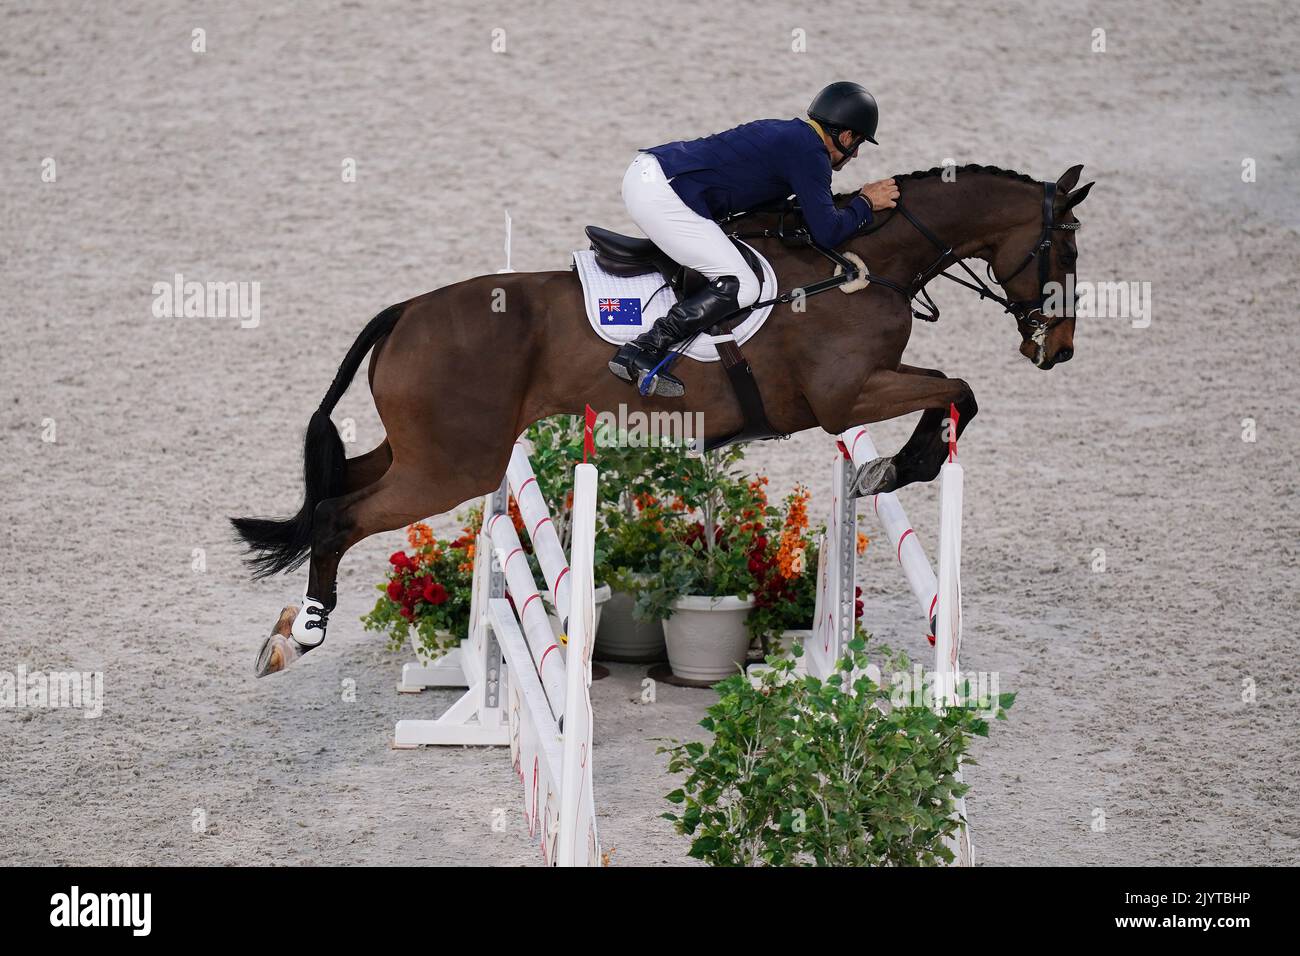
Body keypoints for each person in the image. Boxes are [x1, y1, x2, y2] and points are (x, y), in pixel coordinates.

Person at [607, 81, 900, 397]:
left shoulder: (791, 134)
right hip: (662, 194)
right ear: (846, 136)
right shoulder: (810, 153)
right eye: (857, 145)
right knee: (741, 283)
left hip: (651, 172)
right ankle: (645, 347)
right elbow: (827, 233)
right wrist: (866, 203)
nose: (854, 156)